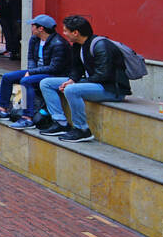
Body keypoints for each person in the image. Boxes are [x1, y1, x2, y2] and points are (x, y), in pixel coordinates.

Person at [38, 15, 131, 143]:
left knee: (71, 90)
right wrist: (72, 79)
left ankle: (82, 130)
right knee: (46, 83)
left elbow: (104, 75)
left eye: (66, 31)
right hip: (94, 83)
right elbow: (77, 68)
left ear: (75, 33)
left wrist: (75, 84)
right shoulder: (78, 45)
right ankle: (61, 123)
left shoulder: (101, 45)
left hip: (112, 89)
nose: (64, 34)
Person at [0, 15, 70, 128]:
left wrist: (32, 72)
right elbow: (30, 58)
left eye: (33, 26)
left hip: (53, 74)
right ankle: (2, 110)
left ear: (41, 29)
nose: (31, 28)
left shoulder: (59, 43)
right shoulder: (34, 39)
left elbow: (55, 68)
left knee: (26, 81)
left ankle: (27, 118)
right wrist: (31, 70)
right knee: (7, 77)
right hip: (38, 71)